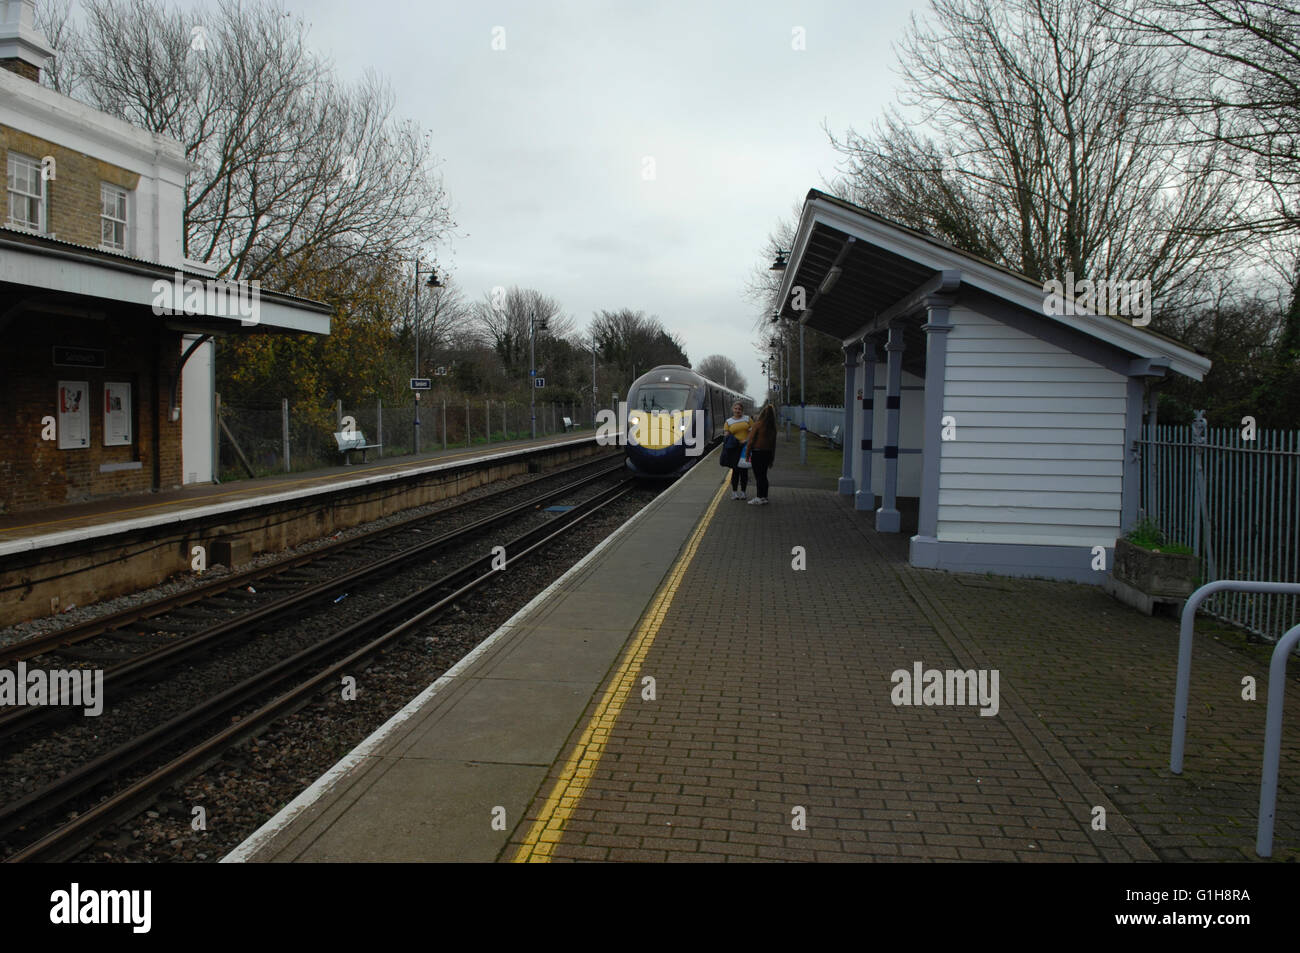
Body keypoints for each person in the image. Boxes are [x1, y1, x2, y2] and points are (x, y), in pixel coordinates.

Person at [745, 403, 777, 505]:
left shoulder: (758, 424)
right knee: (764, 476)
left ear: (762, 414)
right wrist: (772, 458)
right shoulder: (773, 427)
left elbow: (751, 440)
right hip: (767, 453)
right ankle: (764, 497)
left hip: (757, 453)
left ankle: (759, 497)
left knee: (758, 476)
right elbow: (773, 444)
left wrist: (747, 454)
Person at [720, 400, 751, 499]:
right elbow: (726, 435)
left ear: (742, 410)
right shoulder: (728, 422)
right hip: (734, 449)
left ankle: (743, 492)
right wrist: (736, 441)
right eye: (736, 409)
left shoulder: (747, 419)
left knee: (744, 470)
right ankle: (734, 492)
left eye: (740, 409)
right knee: (735, 470)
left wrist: (746, 440)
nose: (738, 411)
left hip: (745, 448)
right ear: (733, 409)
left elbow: (753, 431)